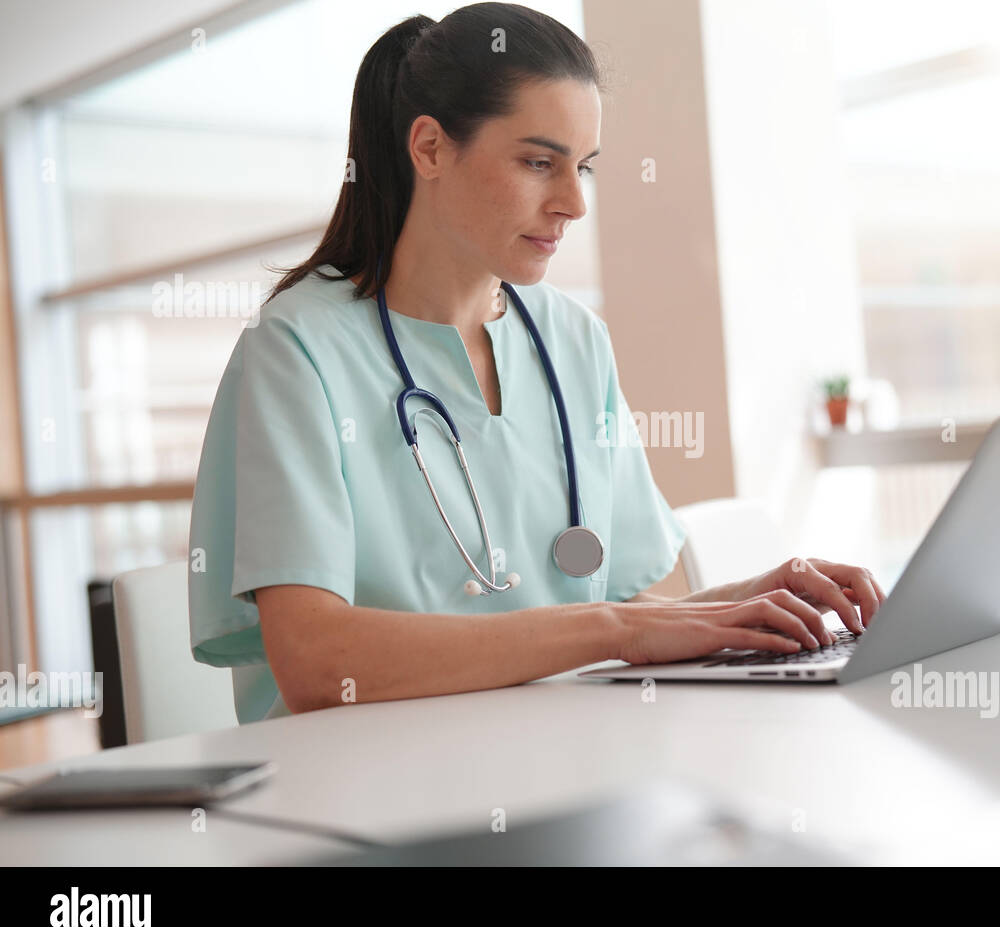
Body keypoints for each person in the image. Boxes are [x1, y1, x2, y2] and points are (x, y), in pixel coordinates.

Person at [187, 3, 886, 723]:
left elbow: (623, 610)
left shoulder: (574, 340)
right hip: (362, 785)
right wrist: (617, 628)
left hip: (552, 749)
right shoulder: (299, 347)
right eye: (538, 162)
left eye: (582, 167)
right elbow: (316, 662)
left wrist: (747, 603)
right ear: (427, 148)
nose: (574, 202)